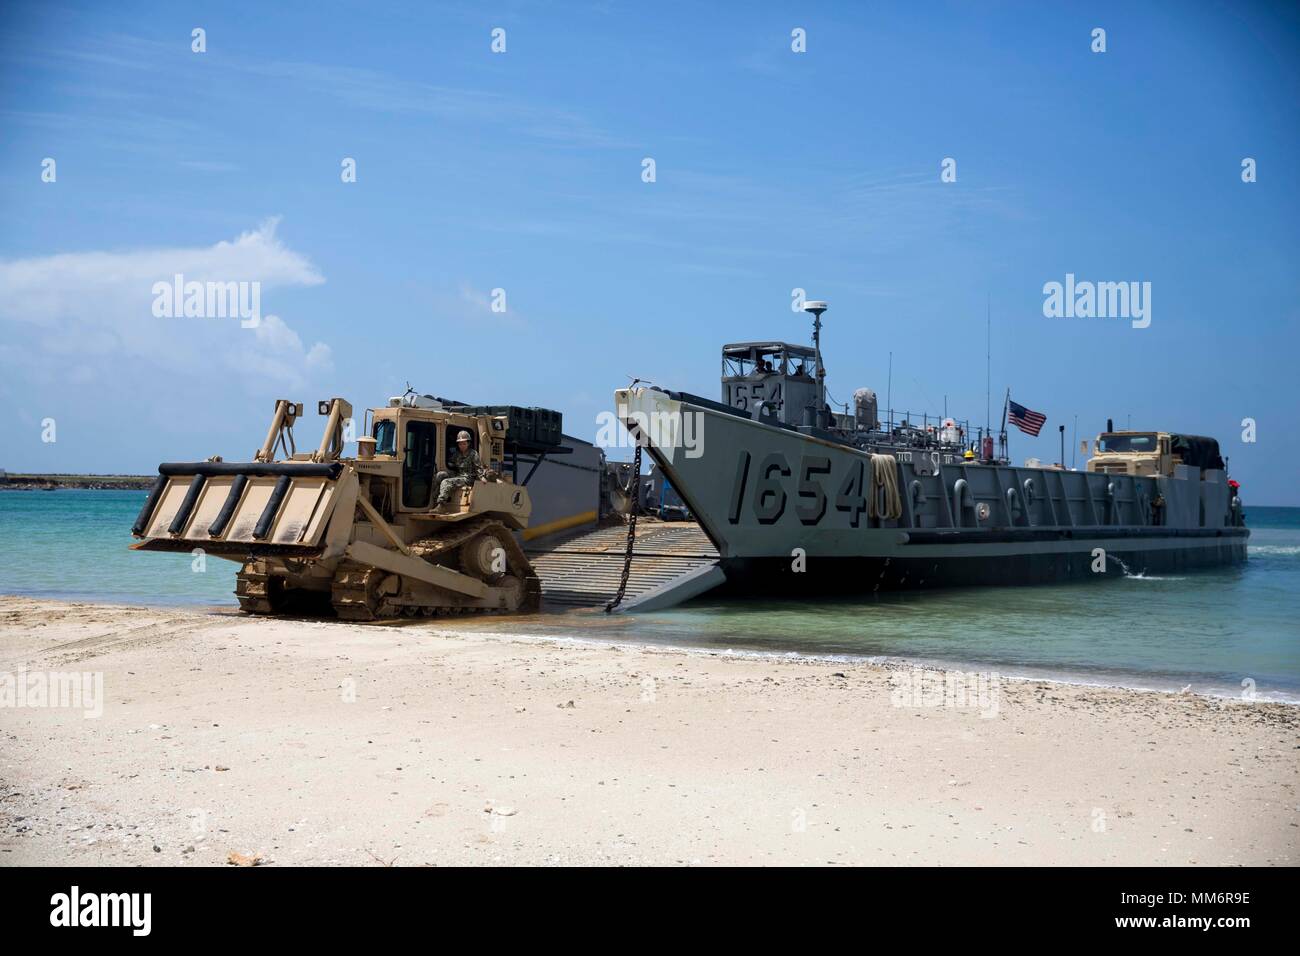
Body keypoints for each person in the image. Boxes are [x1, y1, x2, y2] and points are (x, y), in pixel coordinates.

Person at [434, 430, 485, 508]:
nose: (462, 445)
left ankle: (441, 504)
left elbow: (478, 467)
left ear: (468, 443)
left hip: (468, 478)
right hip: (459, 475)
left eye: (464, 443)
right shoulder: (457, 454)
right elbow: (451, 462)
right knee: (440, 475)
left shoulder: (473, 454)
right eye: (460, 444)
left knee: (446, 482)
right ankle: (434, 501)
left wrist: (482, 477)